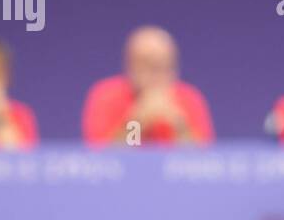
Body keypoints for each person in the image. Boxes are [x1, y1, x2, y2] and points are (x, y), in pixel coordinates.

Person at [82, 26, 215, 146]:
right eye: (148, 65)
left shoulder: (189, 97)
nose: (157, 74)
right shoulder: (106, 95)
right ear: (130, 64)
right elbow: (110, 160)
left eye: (165, 65)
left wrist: (179, 125)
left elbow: (199, 162)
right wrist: (138, 121)